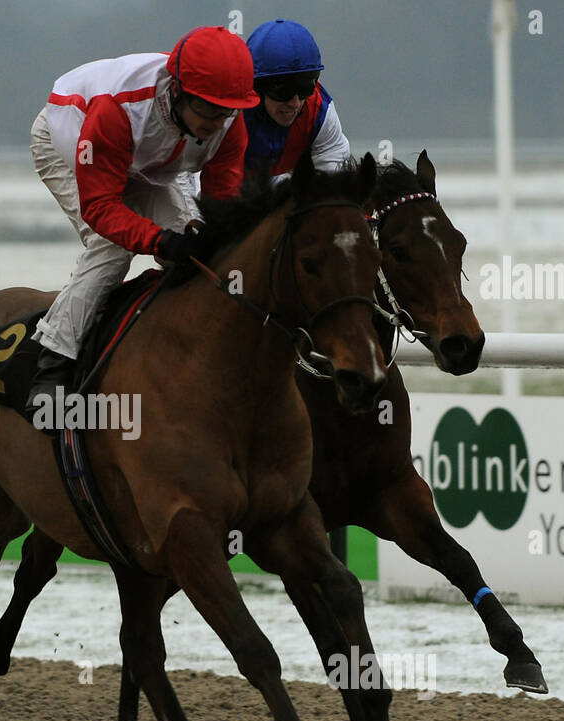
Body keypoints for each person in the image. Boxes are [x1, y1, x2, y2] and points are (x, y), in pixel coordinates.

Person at [25, 26, 259, 420]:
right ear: (179, 90)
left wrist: (200, 237)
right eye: (210, 110)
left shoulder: (228, 124)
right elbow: (100, 207)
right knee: (114, 248)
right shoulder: (116, 112)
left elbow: (222, 205)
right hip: (70, 142)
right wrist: (158, 240)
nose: (218, 123)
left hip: (148, 162)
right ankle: (54, 359)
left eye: (227, 111)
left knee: (197, 244)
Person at [242, 18, 350, 181]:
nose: (295, 103)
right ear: (257, 88)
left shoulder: (319, 111)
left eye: (304, 89)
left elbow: (332, 187)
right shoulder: (230, 113)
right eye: (283, 92)